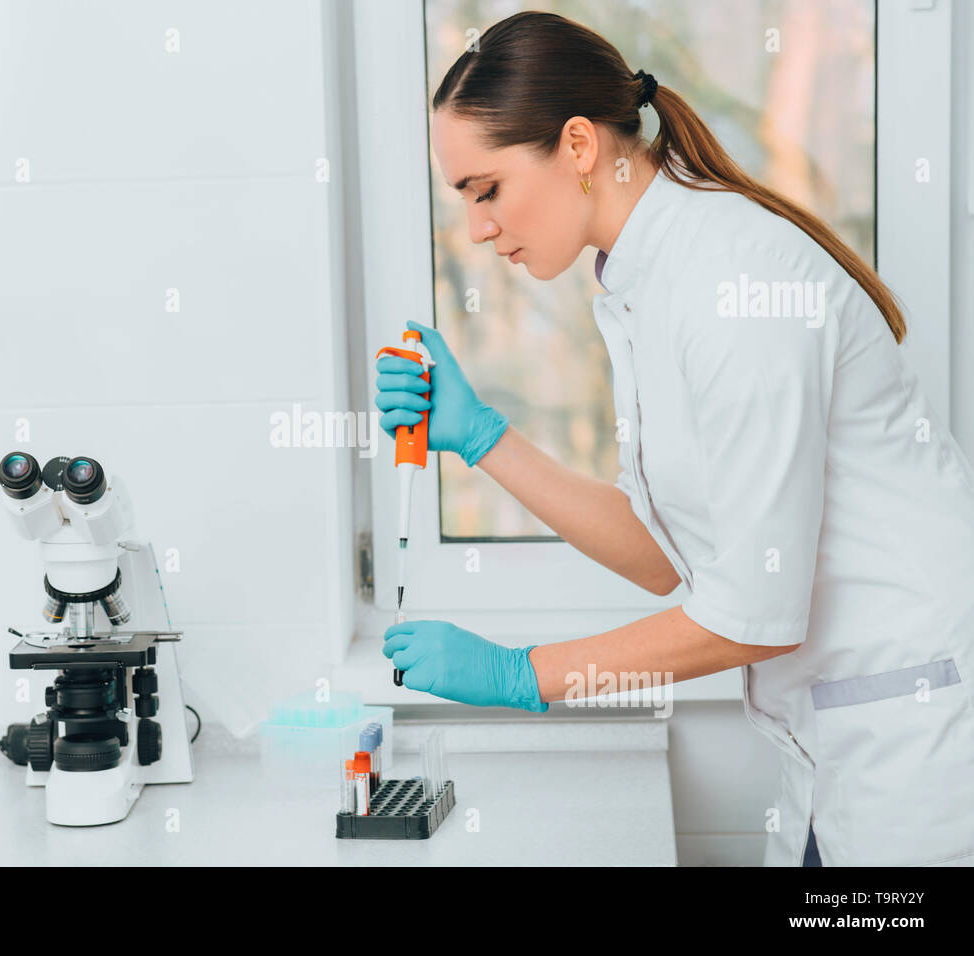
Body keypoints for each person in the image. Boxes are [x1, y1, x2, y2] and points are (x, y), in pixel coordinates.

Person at [375, 11, 974, 867]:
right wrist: (481, 441)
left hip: (922, 749)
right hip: (838, 749)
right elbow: (667, 557)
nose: (477, 227)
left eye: (487, 189)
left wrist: (524, 676)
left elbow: (754, 617)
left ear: (578, 146)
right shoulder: (641, 281)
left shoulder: (733, 284)